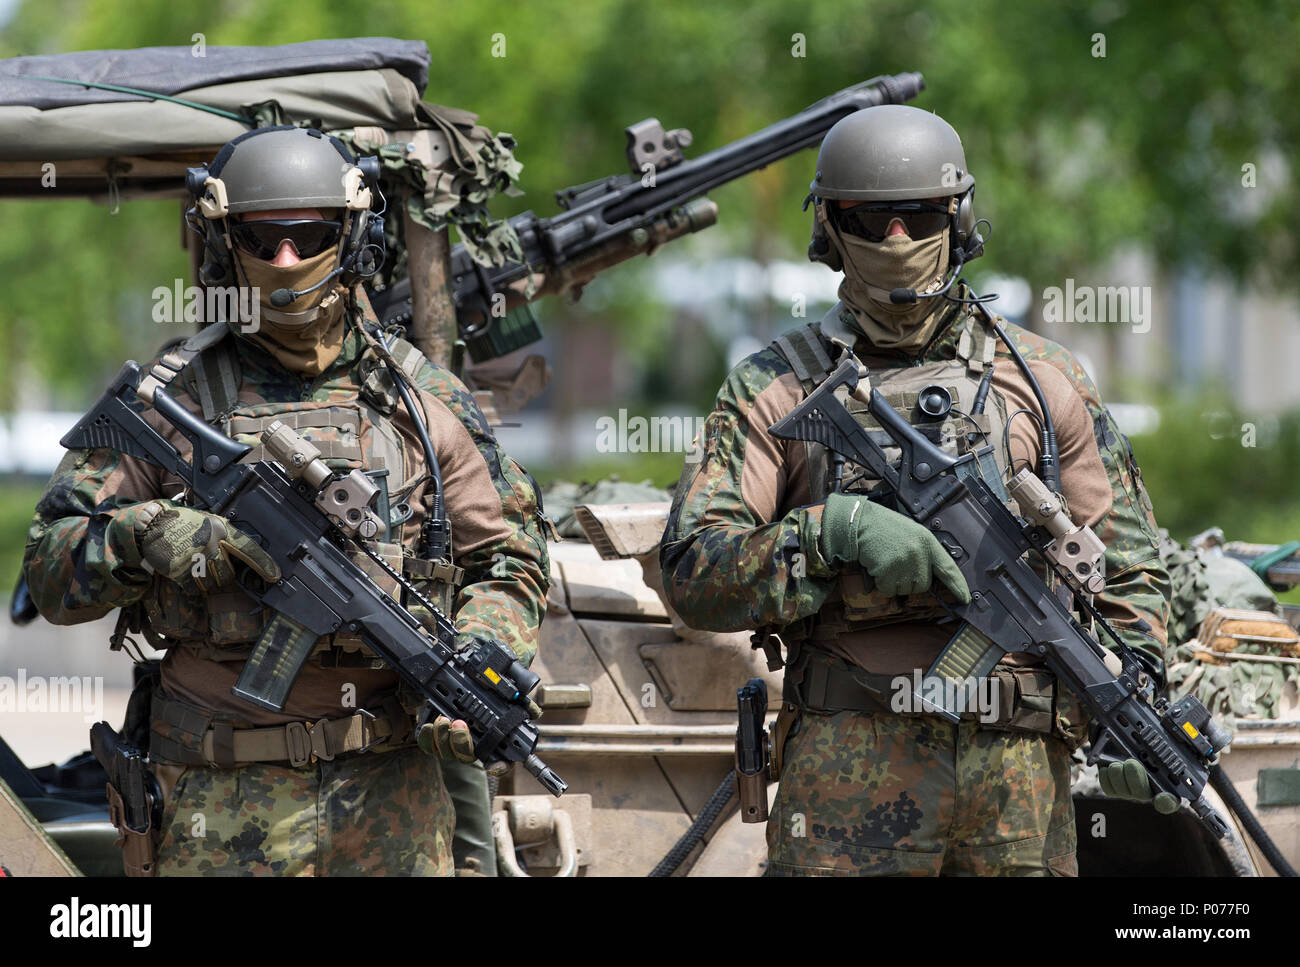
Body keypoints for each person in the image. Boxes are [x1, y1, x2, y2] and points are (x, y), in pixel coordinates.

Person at [22, 126, 551, 876]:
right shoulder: (175, 399)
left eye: (308, 235)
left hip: (391, 799)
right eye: (261, 237)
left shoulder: (422, 400)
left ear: (352, 234)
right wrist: (150, 535)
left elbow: (509, 558)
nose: (286, 261)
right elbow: (49, 571)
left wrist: (478, 652)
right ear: (223, 242)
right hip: (218, 797)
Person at [659, 105, 1173, 876]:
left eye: (920, 214)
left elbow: (1129, 570)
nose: (897, 238)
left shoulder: (1043, 380)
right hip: (846, 786)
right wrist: (831, 533)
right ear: (831, 227)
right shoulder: (775, 385)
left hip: (1019, 796)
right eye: (871, 216)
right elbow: (693, 573)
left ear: (958, 216)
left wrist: (1137, 702)